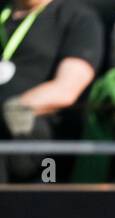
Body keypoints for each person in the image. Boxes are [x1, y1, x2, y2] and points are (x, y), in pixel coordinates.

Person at [0, 0, 102, 184]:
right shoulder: (3, 11)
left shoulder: (78, 17)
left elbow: (67, 90)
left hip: (41, 138)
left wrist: (18, 106)